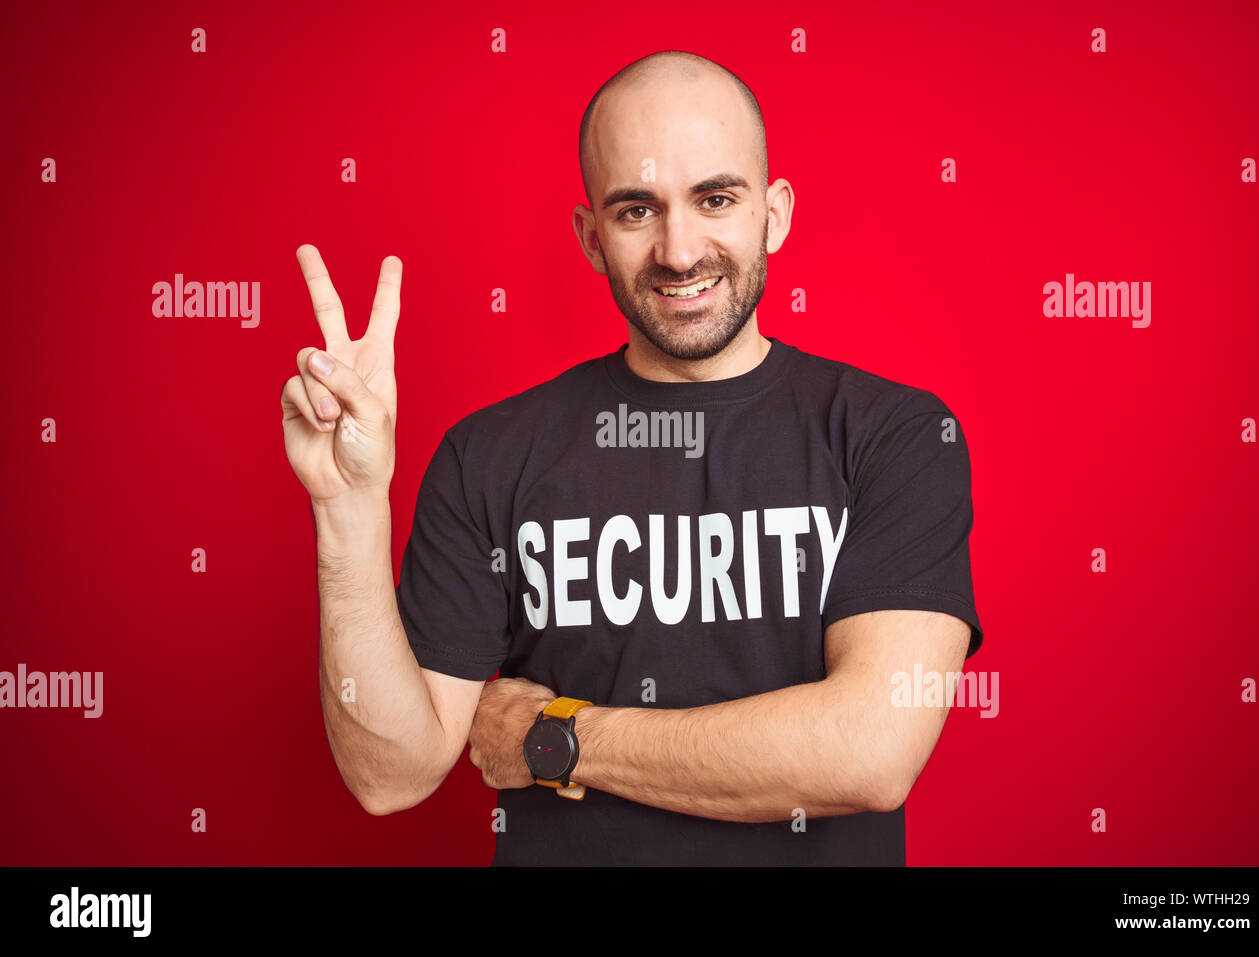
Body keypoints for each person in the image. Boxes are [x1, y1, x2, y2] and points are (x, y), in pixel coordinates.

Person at [280, 50, 984, 866]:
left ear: (775, 213)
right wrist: (347, 508)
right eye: (636, 210)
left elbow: (870, 749)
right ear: (589, 237)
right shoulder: (490, 456)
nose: (680, 252)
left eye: (715, 199)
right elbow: (388, 774)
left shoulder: (895, 435)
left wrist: (559, 739)